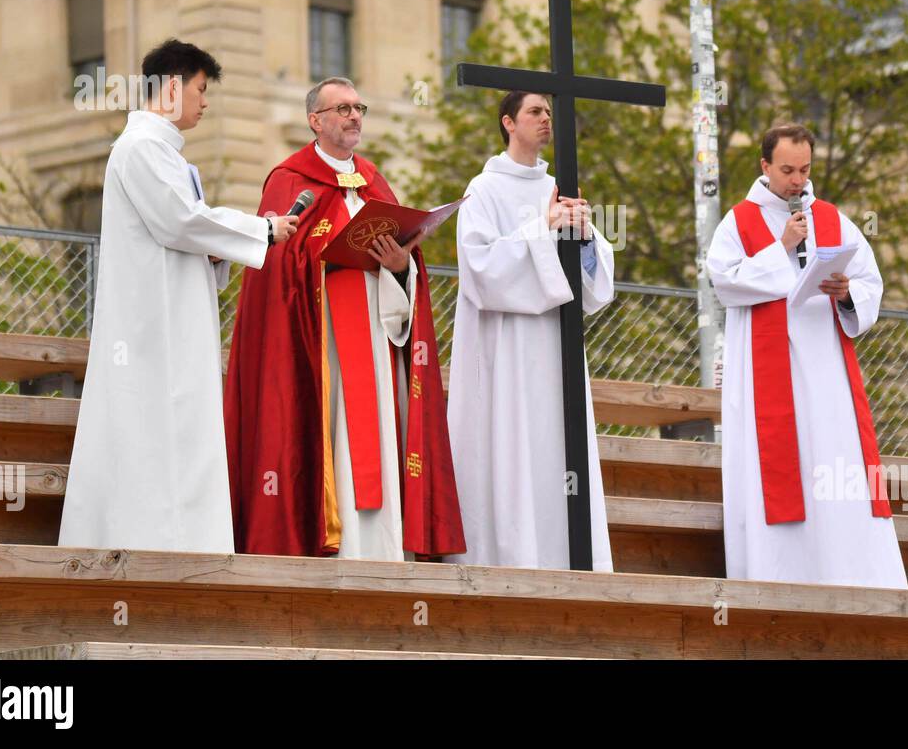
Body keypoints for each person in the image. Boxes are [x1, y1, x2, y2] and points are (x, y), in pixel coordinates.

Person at [59, 38, 299, 553]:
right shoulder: (141, 148)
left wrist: (216, 250)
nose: (204, 102)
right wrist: (262, 228)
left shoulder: (162, 153)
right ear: (171, 87)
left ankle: (186, 547)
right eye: (200, 88)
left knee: (178, 432)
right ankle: (149, 548)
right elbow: (178, 221)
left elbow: (181, 231)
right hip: (150, 327)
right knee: (150, 430)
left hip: (171, 320)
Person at [224, 77, 463, 560]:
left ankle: (383, 547)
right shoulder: (288, 180)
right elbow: (276, 268)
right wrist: (323, 257)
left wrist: (400, 267)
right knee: (332, 436)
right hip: (322, 339)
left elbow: (407, 258)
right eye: (343, 109)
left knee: (379, 428)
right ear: (315, 120)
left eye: (359, 108)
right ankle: (329, 540)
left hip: (376, 331)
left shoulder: (375, 180)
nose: (355, 117)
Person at [706, 122, 907, 589]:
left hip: (826, 373)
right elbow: (725, 283)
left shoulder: (834, 218)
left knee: (835, 464)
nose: (798, 181)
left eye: (805, 169)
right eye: (787, 170)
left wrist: (847, 292)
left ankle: (848, 575)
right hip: (768, 377)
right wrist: (782, 249)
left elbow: (870, 283)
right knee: (782, 472)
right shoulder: (739, 222)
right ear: (765, 166)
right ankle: (781, 578)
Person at [443, 91, 615, 571]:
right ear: (508, 123)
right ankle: (508, 561)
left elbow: (596, 280)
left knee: (557, 448)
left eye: (548, 113)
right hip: (507, 348)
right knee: (511, 446)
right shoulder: (484, 189)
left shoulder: (558, 187)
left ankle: (569, 561)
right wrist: (543, 228)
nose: (545, 120)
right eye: (535, 113)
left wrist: (581, 237)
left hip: (555, 347)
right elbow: (479, 269)